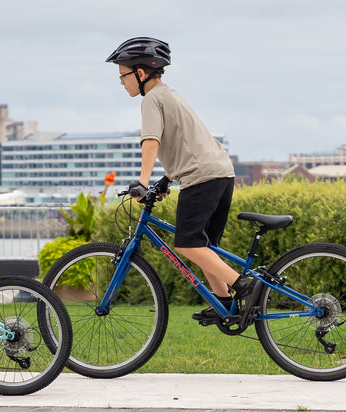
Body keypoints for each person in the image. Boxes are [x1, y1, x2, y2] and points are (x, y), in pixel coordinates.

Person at [106, 36, 254, 325]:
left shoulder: (151, 100)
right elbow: (187, 142)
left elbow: (151, 141)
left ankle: (245, 285)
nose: (121, 82)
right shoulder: (170, 95)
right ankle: (225, 302)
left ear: (140, 72)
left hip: (201, 178)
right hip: (221, 173)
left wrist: (143, 181)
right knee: (204, 246)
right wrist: (165, 179)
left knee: (186, 244)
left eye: (123, 75)